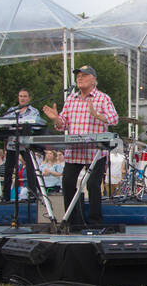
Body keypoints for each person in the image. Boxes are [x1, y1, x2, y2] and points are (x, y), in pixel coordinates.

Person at [42, 65, 119, 230]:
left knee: (93, 185)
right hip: (74, 151)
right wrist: (56, 119)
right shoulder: (71, 98)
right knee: (68, 183)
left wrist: (97, 115)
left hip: (95, 152)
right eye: (78, 75)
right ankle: (73, 222)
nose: (80, 78)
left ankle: (95, 223)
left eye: (84, 75)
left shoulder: (103, 98)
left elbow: (114, 119)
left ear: (94, 79)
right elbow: (62, 124)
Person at [1, 87, 44, 201]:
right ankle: (5, 196)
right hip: (12, 143)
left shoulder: (34, 111)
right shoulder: (12, 110)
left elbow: (36, 125)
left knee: (30, 168)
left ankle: (33, 193)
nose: (22, 98)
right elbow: (4, 122)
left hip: (26, 144)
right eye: (20, 96)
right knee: (8, 170)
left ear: (29, 98)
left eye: (25, 96)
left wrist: (22, 126)